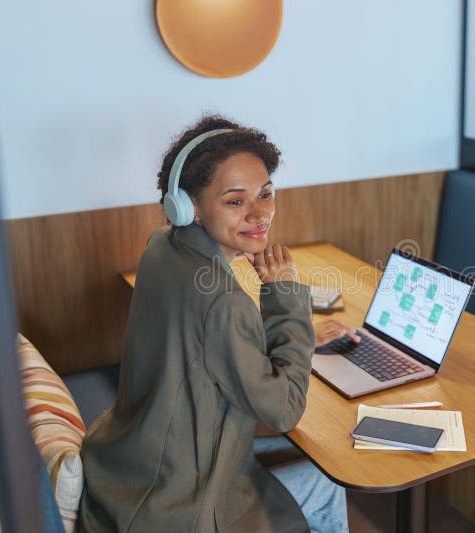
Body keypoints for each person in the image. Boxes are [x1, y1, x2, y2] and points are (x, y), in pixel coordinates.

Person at [78, 115, 358, 532]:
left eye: (265, 193)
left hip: (124, 472)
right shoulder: (224, 304)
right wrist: (285, 302)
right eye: (235, 201)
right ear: (187, 206)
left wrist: (284, 335)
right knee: (328, 481)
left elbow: (201, 343)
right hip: (177, 507)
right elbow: (284, 411)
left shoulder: (161, 247)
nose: (259, 213)